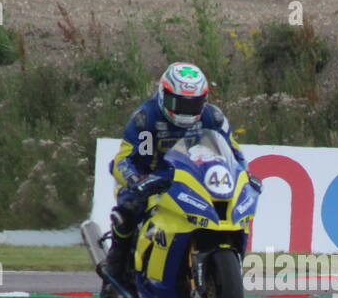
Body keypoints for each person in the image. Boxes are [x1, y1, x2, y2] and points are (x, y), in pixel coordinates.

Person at [103, 62, 246, 281]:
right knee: (130, 208)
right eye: (177, 103)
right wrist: (136, 180)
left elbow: (235, 154)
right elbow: (123, 160)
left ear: (204, 101)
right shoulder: (147, 118)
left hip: (194, 180)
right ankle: (116, 260)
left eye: (193, 104)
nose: (185, 111)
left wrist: (244, 175)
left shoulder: (213, 118)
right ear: (163, 94)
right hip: (151, 180)